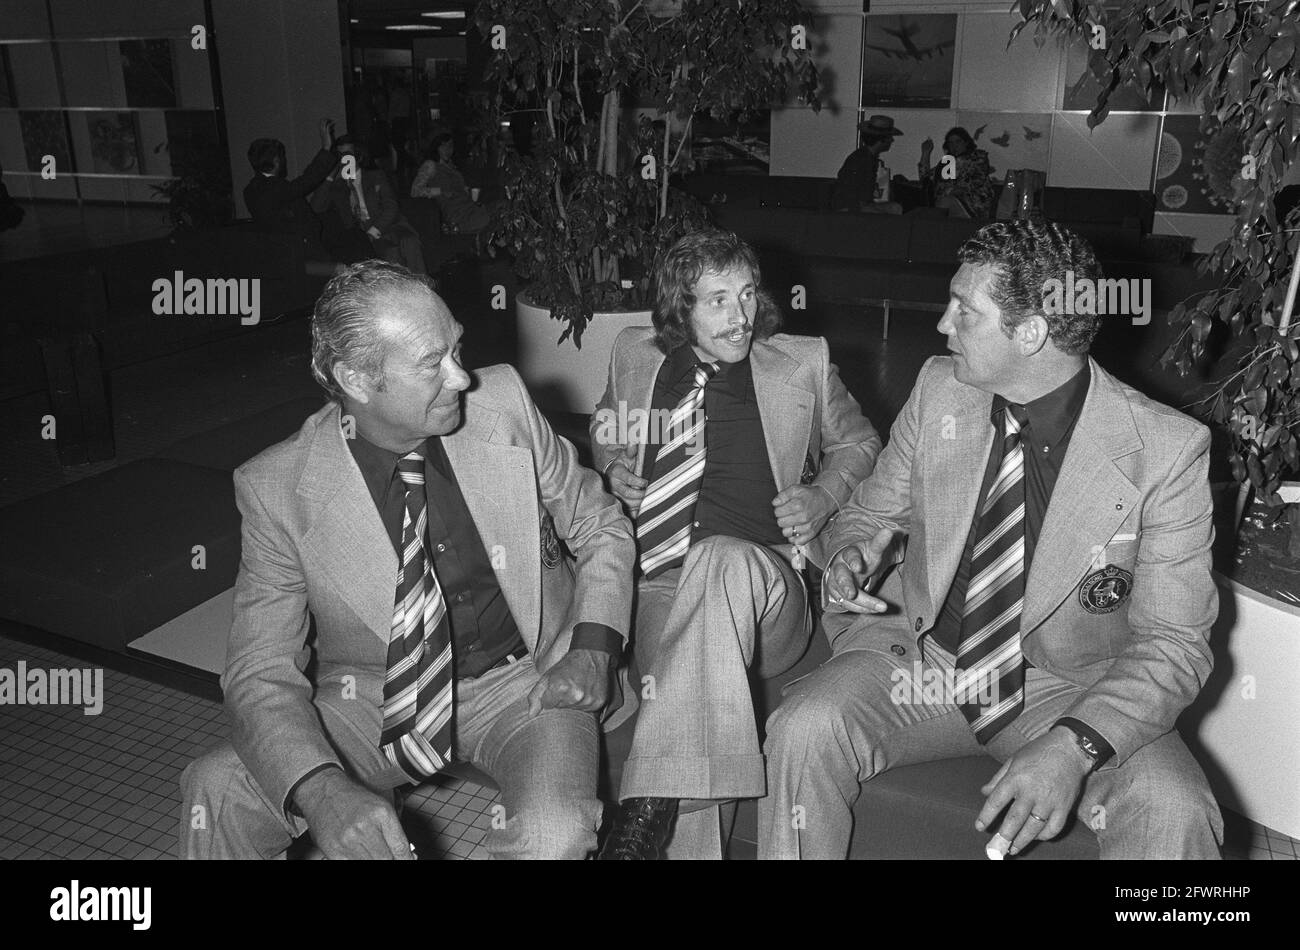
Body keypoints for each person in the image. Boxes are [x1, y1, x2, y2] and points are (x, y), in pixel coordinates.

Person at [760, 220, 1223, 860]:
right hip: (925, 660)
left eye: (964, 310)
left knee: (1175, 805)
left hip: (1065, 687)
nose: (943, 323)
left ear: (1030, 333)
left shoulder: (1165, 451)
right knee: (802, 728)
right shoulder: (940, 389)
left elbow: (1175, 643)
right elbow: (869, 513)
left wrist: (1075, 744)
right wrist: (850, 553)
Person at [179, 260, 635, 859]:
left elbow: (600, 524)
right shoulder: (277, 487)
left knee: (554, 833)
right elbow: (259, 668)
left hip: (526, 679)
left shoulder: (503, 403)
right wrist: (321, 790)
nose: (461, 377)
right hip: (374, 693)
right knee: (215, 788)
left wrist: (593, 648)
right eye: (430, 363)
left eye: (456, 349)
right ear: (356, 380)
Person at [590, 229, 882, 859]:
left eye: (747, 294)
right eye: (718, 300)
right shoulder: (634, 353)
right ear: (681, 308)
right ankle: (663, 817)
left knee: (719, 557)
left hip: (767, 588)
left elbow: (861, 443)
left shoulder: (801, 363)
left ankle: (645, 809)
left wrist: (824, 495)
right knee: (687, 689)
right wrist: (612, 464)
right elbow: (605, 421)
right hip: (660, 584)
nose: (741, 315)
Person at [312, 136, 427, 275]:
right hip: (360, 238)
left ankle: (423, 285)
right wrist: (330, 176)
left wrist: (373, 232)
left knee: (409, 241)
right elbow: (316, 207)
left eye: (348, 154)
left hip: (389, 226)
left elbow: (391, 207)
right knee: (391, 252)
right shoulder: (337, 186)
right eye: (340, 155)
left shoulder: (375, 176)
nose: (344, 159)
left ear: (359, 157)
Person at [242, 118, 339, 252]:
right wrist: (326, 148)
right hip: (296, 251)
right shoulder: (274, 187)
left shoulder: (250, 190)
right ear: (277, 161)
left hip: (280, 249)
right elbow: (306, 181)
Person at [410, 132, 491, 235]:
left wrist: (468, 190)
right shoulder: (430, 165)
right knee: (491, 217)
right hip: (456, 214)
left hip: (468, 206)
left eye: (450, 146)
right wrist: (440, 191)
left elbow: (460, 188)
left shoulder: (451, 165)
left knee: (500, 209)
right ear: (436, 147)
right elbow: (415, 191)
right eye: (443, 146)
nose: (448, 150)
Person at [918, 126, 997, 219]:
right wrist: (925, 153)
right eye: (950, 143)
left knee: (944, 203)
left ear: (966, 142)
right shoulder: (947, 163)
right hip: (947, 204)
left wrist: (948, 191)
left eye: (958, 141)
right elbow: (925, 179)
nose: (954, 146)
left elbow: (974, 181)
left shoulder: (977, 158)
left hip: (972, 206)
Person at [831, 114, 904, 214]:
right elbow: (857, 198)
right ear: (882, 139)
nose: (892, 140)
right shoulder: (863, 160)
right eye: (889, 137)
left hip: (853, 207)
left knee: (895, 208)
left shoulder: (864, 157)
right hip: (851, 209)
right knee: (895, 209)